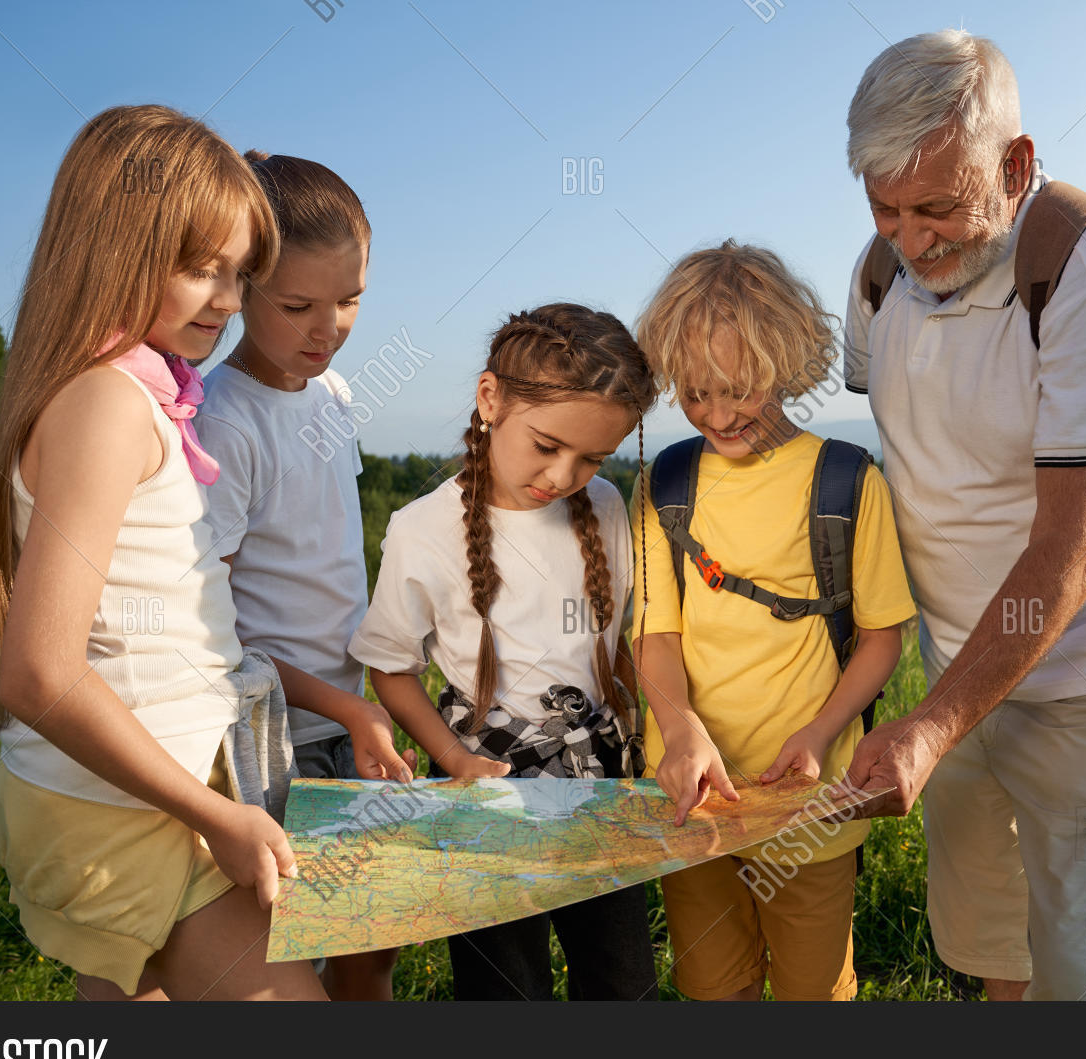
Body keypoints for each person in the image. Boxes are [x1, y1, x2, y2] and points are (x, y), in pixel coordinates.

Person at [837, 30, 1086, 1000]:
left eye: (938, 208)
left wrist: (927, 728)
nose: (913, 239)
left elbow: (1071, 549)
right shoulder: (878, 275)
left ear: (1016, 165)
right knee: (994, 952)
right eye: (885, 208)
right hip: (955, 675)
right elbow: (921, 467)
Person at [0, 105, 326, 1001]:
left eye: (241, 272)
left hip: (131, 796)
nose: (230, 299)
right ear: (112, 248)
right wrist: (215, 814)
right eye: (201, 268)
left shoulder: (133, 393)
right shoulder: (105, 405)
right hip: (129, 812)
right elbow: (39, 673)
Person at [347, 303, 661, 1000]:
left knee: (623, 978)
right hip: (483, 788)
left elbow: (623, 644)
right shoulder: (422, 529)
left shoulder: (607, 506)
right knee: (504, 988)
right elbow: (390, 667)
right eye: (547, 445)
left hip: (597, 780)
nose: (564, 474)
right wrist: (454, 759)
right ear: (490, 399)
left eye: (592, 457)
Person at [631, 241, 915, 1002]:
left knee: (811, 992)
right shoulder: (664, 483)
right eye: (695, 393)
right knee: (712, 988)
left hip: (808, 802)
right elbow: (655, 634)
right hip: (693, 797)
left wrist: (820, 734)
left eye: (740, 390)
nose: (718, 415)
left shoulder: (847, 481)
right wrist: (679, 731)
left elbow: (881, 638)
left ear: (786, 364)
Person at [193, 151, 411, 1002]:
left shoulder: (336, 395)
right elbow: (214, 630)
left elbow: (330, 556)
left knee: (375, 946)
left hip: (353, 717)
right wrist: (348, 707)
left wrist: (369, 696)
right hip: (276, 735)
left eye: (350, 299)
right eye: (298, 306)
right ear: (240, 284)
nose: (329, 328)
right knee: (294, 953)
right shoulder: (223, 419)